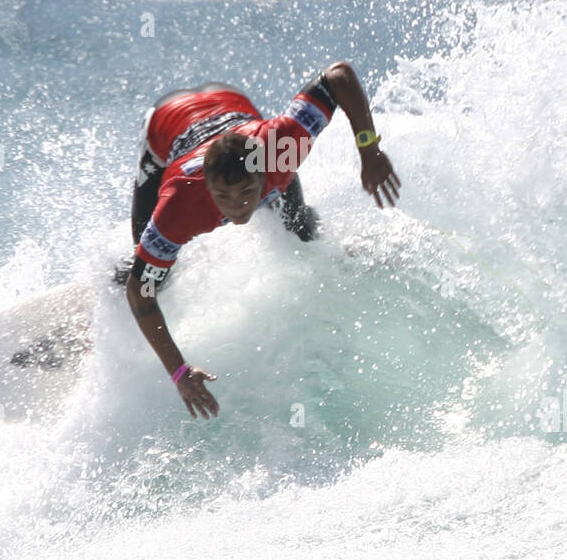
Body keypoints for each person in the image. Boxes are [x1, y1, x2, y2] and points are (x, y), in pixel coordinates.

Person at [117, 61, 400, 418]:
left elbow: (339, 76)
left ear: (263, 173)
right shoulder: (180, 204)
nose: (238, 208)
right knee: (154, 278)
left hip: (231, 104)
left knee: (302, 232)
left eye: (248, 193)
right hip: (166, 126)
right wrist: (178, 370)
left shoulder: (279, 151)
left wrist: (368, 148)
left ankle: (350, 253)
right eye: (224, 198)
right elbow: (138, 291)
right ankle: (91, 317)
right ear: (207, 188)